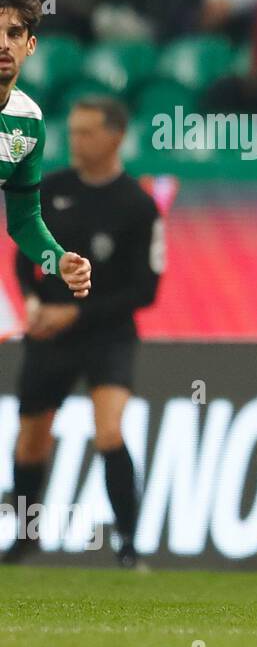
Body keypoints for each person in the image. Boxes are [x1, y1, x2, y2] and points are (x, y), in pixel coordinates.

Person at [8, 96, 160, 568]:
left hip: (106, 334)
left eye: (87, 132)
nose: (75, 141)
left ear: (115, 136)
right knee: (32, 439)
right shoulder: (50, 189)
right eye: (72, 132)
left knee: (109, 430)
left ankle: (130, 544)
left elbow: (145, 289)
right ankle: (25, 535)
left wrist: (77, 314)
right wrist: (32, 300)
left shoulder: (138, 206)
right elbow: (22, 254)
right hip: (49, 331)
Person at [0, 0, 95, 559]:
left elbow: (24, 221)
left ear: (31, 46)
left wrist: (57, 259)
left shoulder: (26, 122)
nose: (2, 44)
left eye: (14, 33)